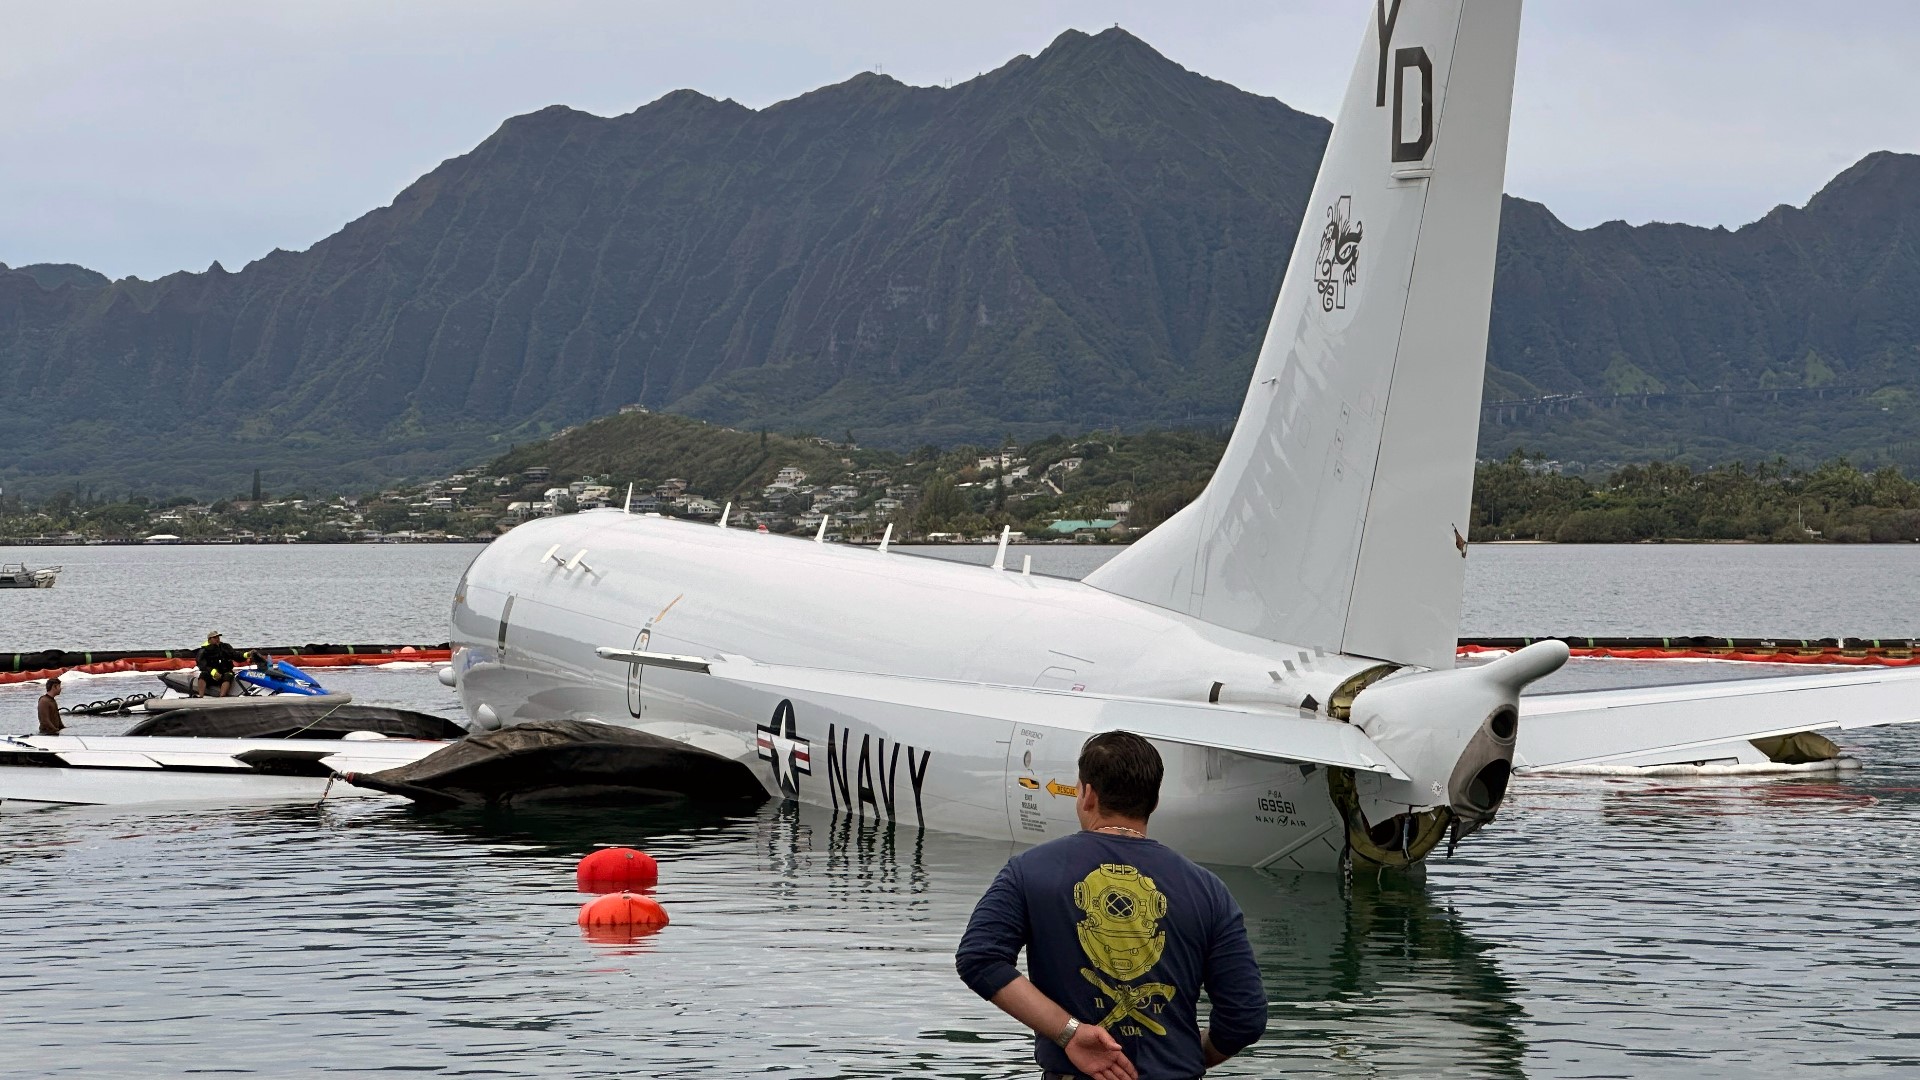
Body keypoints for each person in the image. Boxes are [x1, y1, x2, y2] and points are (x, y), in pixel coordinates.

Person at [956, 732, 1267, 1080]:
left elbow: (979, 959)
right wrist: (1186, 1057)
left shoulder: (1028, 871)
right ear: (1154, 800)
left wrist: (1069, 1032)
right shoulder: (1209, 891)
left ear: (1088, 794)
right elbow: (1245, 1017)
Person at [194, 631, 241, 697]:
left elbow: (235, 655)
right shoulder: (203, 650)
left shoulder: (226, 647)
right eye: (215, 638)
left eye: (218, 637)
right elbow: (201, 664)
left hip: (225, 673)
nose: (217, 639)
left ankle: (221, 697)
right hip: (211, 674)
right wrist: (213, 672)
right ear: (209, 640)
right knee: (203, 675)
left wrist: (246, 655)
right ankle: (200, 696)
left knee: (228, 675)